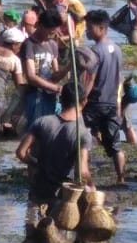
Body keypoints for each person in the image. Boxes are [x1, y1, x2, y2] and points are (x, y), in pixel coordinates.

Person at [15, 84, 92, 219]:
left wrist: (37, 164)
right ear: (84, 101)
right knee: (60, 233)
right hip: (62, 193)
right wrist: (91, 185)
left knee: (34, 230)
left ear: (60, 100)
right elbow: (82, 171)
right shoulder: (82, 133)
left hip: (38, 189)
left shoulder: (42, 122)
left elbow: (21, 153)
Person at [82, 10, 126, 184]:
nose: (87, 31)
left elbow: (90, 78)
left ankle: (86, 177)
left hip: (95, 102)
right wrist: (119, 102)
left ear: (101, 28)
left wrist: (83, 98)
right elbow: (119, 77)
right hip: (111, 103)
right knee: (115, 144)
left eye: (90, 28)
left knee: (84, 139)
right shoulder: (117, 49)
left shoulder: (94, 51)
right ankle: (121, 178)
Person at [21, 8, 64, 126]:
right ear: (39, 25)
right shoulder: (29, 45)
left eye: (54, 32)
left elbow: (56, 75)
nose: (52, 35)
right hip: (35, 95)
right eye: (50, 32)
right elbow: (31, 76)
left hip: (51, 96)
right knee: (36, 130)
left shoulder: (52, 44)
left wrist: (69, 66)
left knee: (51, 130)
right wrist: (55, 88)